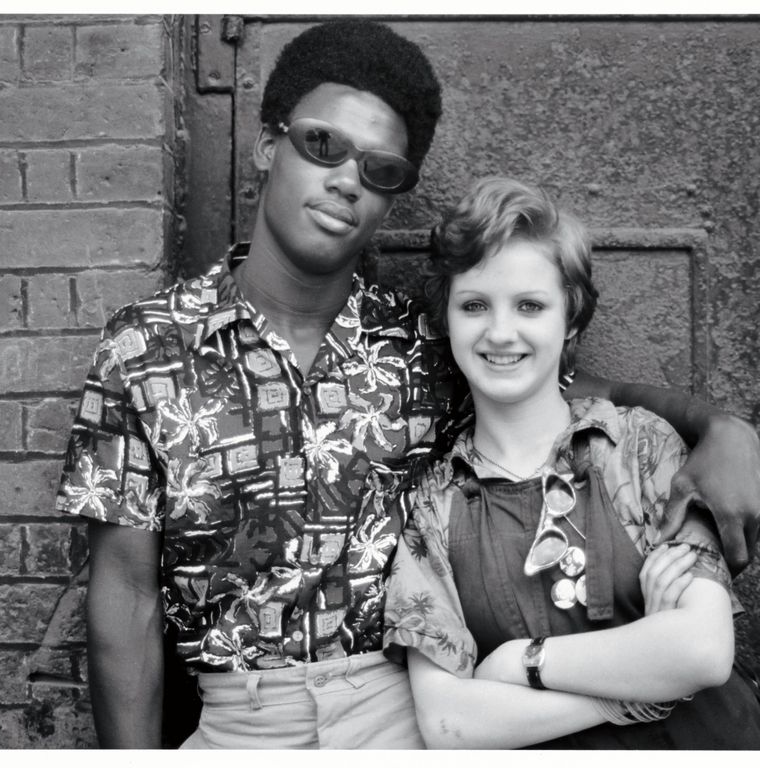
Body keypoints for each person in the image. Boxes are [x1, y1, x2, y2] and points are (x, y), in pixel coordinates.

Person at [55, 20, 760, 749]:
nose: (346, 180)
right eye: (322, 145)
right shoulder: (146, 349)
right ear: (270, 144)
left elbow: (570, 392)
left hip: (402, 719)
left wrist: (721, 429)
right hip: (240, 725)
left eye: (381, 169)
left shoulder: (421, 345)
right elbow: (127, 598)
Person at [382, 176, 760, 749]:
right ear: (448, 318)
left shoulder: (640, 446)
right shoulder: (433, 506)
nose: (500, 331)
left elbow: (703, 652)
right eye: (475, 305)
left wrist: (522, 662)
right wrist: (640, 686)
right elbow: (451, 725)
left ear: (572, 320)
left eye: (530, 305)